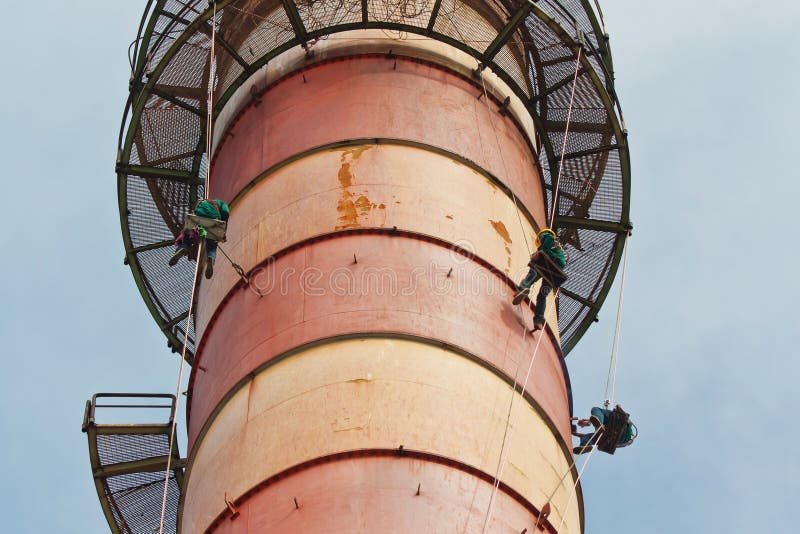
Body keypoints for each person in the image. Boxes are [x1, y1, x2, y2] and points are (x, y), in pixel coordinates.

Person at [512, 228, 567, 330]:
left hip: (545, 261)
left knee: (530, 278)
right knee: (542, 296)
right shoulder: (559, 249)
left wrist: (540, 251)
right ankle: (538, 321)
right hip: (556, 272)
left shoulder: (547, 236)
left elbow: (548, 241)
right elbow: (563, 262)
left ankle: (522, 289)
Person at [168, 198, 230, 279]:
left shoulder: (202, 201)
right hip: (214, 219)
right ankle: (210, 258)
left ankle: (183, 247)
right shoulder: (222, 204)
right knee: (212, 244)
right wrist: (223, 233)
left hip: (198, 216)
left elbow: (195, 211)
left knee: (188, 236)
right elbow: (225, 213)